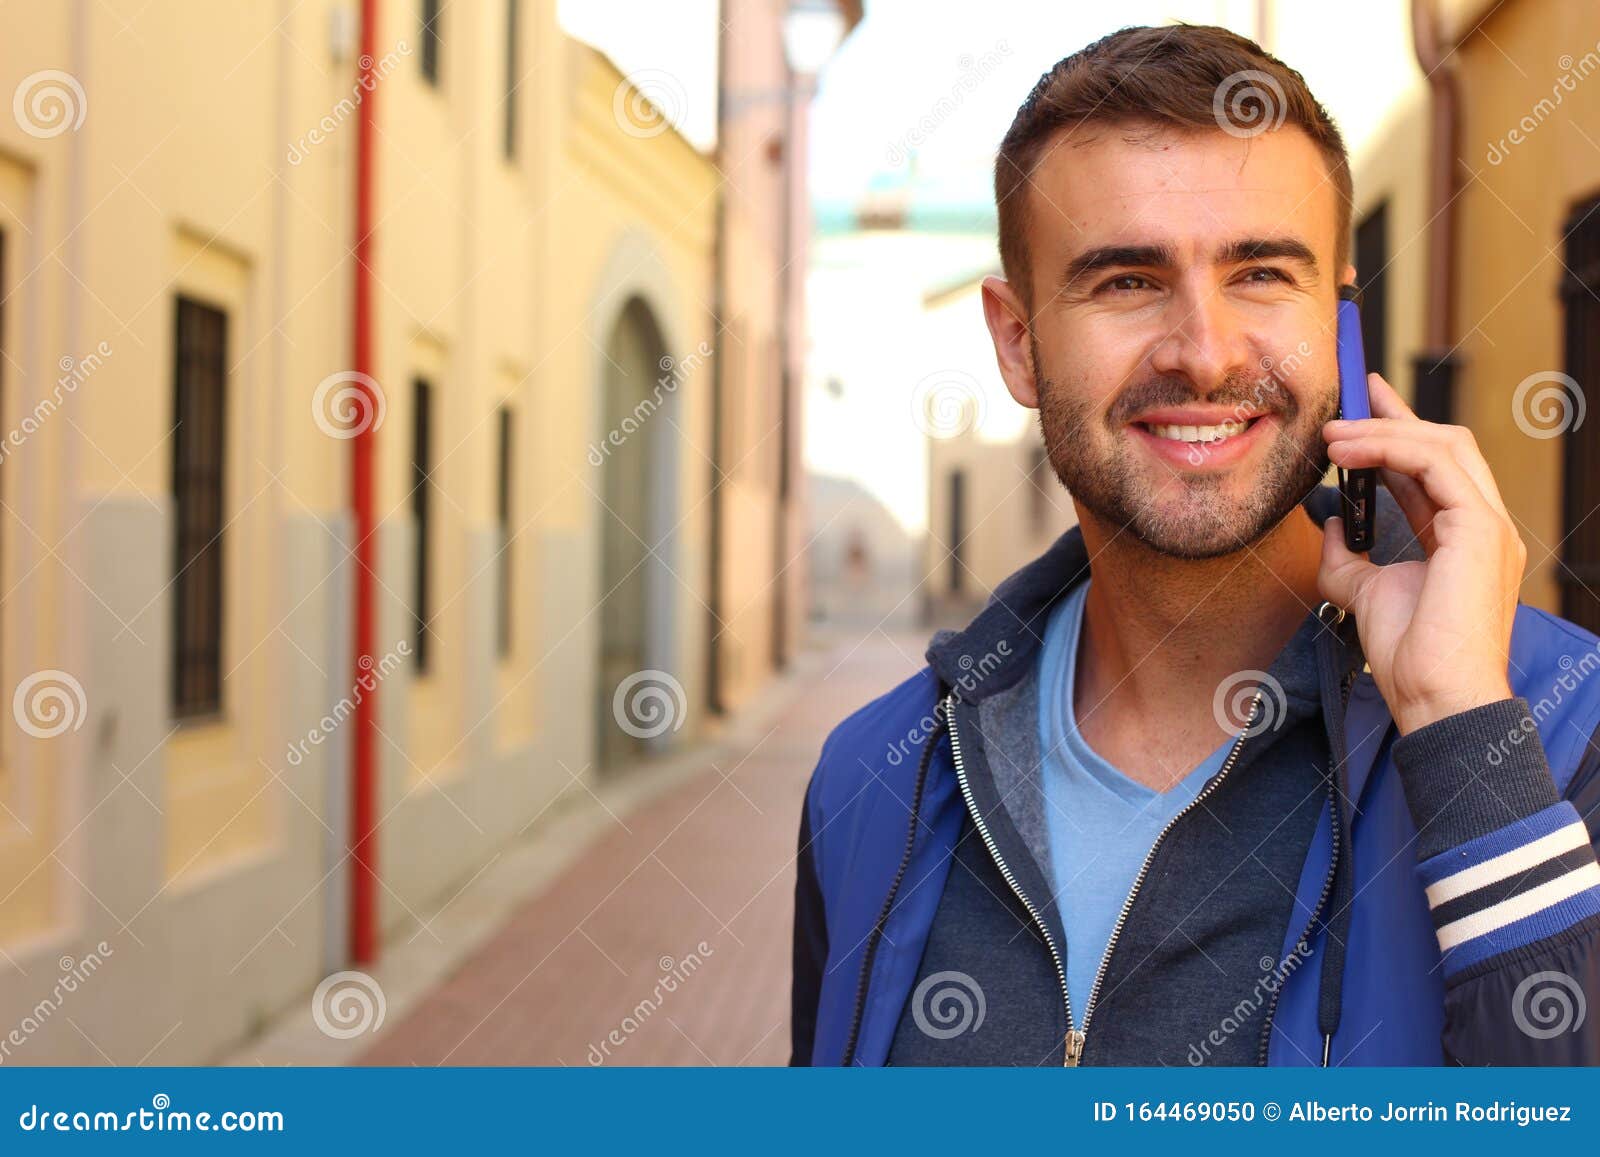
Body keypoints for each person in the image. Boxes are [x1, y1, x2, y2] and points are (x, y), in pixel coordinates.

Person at [790, 23, 1600, 1066]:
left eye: (1260, 273)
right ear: (1017, 340)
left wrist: (1458, 728)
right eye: (1125, 280)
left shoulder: (1564, 732)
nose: (1204, 354)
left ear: (1342, 326)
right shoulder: (872, 778)